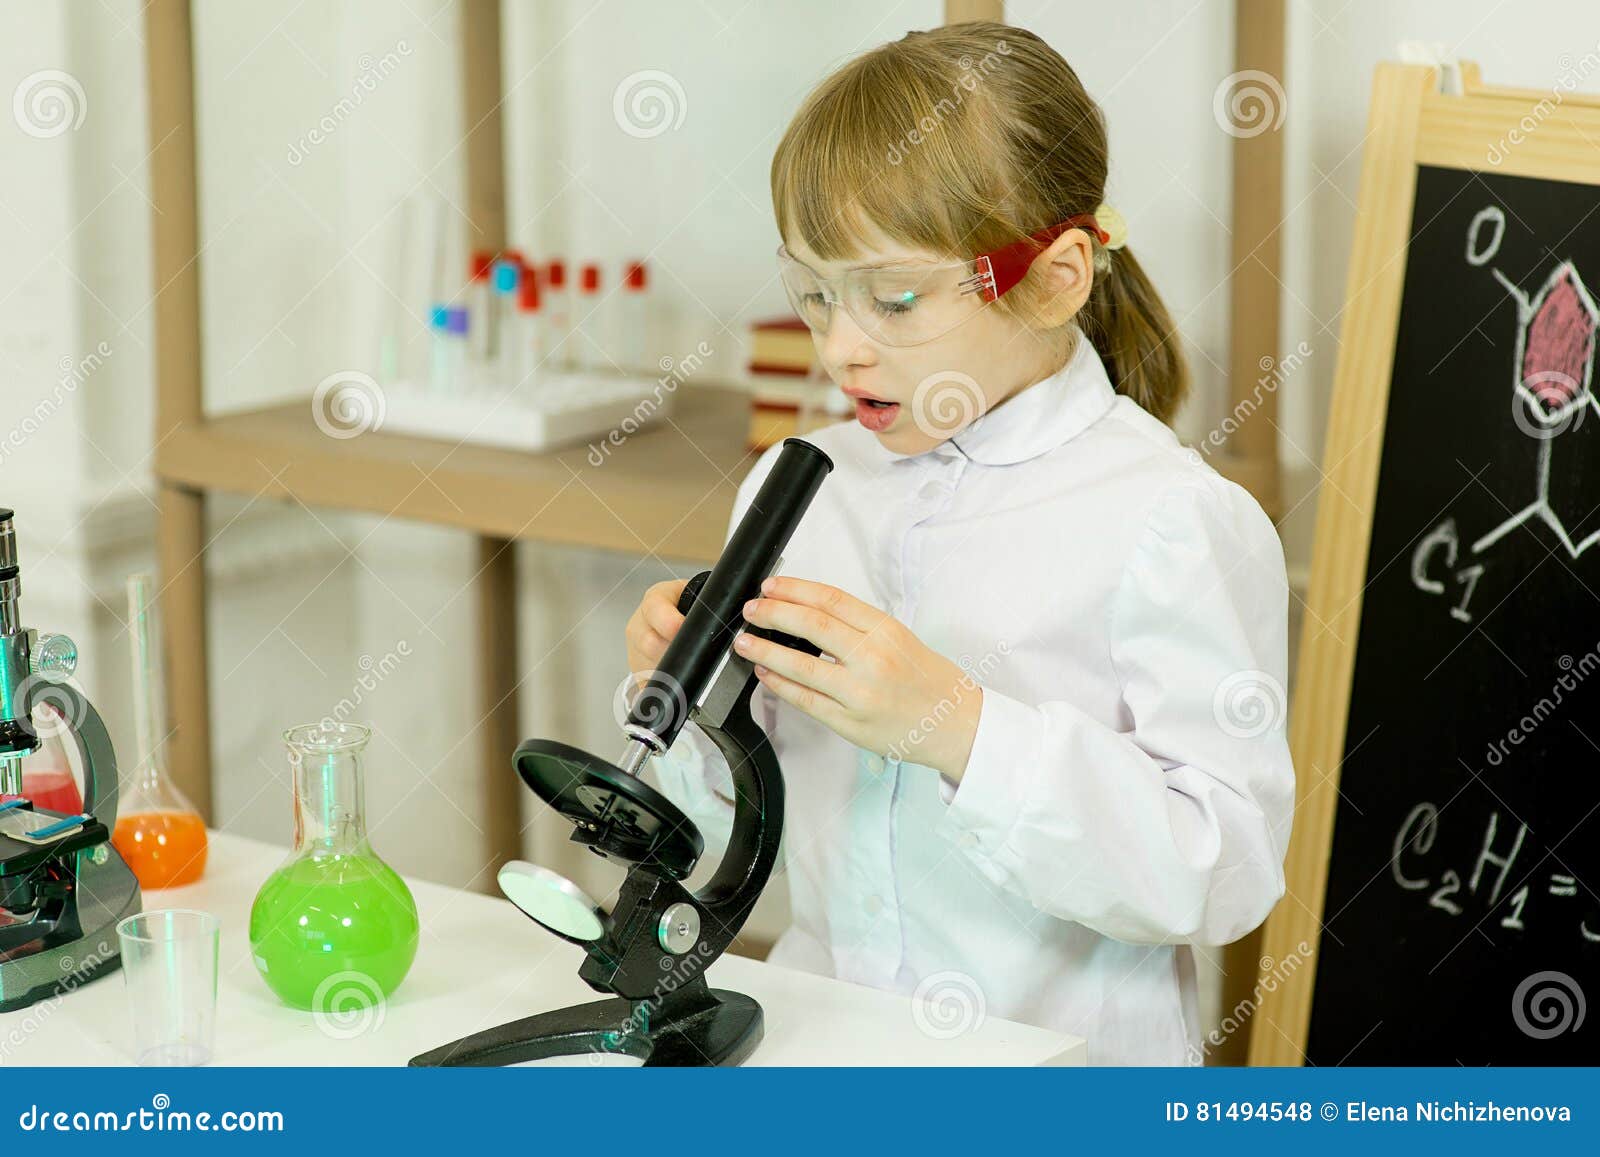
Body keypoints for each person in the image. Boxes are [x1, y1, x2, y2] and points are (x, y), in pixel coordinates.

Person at [625, 22, 1295, 1065]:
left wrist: (960, 729)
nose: (841, 347)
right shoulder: (804, 490)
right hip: (825, 1050)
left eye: (893, 299)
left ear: (1056, 277)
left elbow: (1224, 873)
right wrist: (682, 703)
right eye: (815, 293)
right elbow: (721, 839)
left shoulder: (1171, 517)